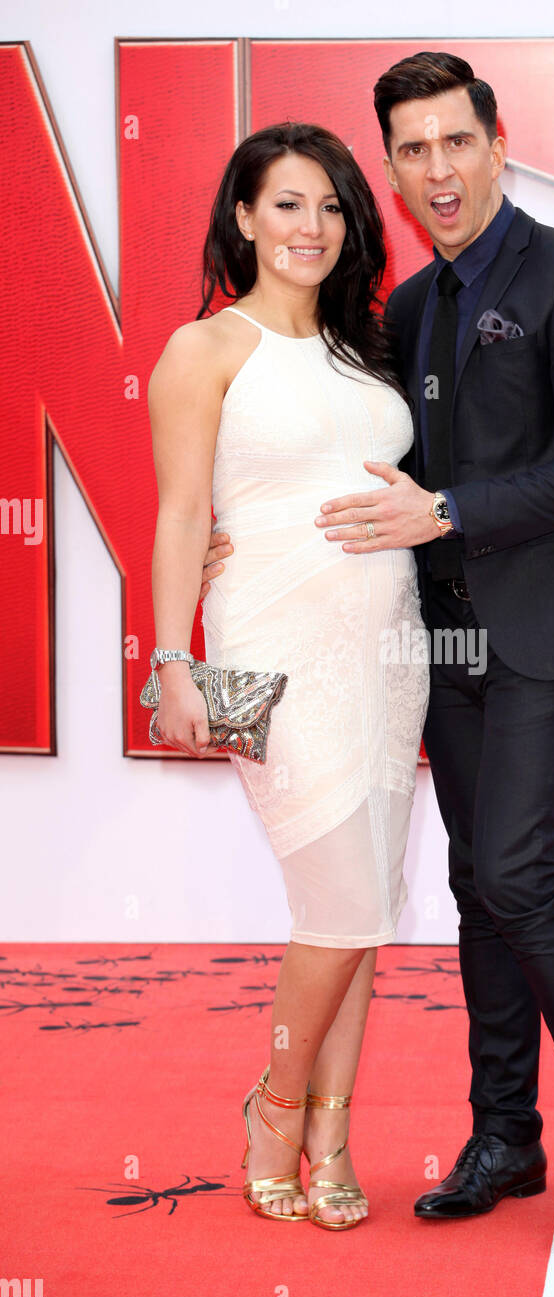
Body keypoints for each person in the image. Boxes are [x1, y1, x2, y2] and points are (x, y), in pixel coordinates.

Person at [200, 51, 554, 1253]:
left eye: (454, 141)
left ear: (496, 142)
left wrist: (446, 514)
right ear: (393, 172)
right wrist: (228, 543)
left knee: (512, 872)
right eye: (410, 150)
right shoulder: (403, 313)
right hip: (438, 641)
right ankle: (503, 1132)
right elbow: (324, 456)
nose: (436, 169)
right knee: (469, 885)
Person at [147, 121, 429, 1229]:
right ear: (243, 218)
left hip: (386, 650)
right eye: (287, 205)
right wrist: (175, 660)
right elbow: (180, 513)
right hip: (267, 645)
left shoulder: (369, 348)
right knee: (342, 901)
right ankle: (273, 1105)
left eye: (330, 207)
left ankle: (332, 1131)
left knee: (361, 911)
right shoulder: (204, 349)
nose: (311, 227)